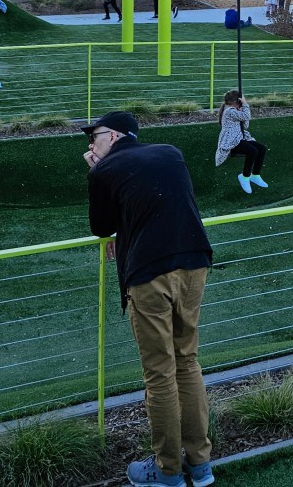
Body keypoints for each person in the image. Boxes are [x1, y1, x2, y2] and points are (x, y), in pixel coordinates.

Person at [84, 111, 213, 487]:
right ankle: (200, 465)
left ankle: (167, 470)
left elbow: (100, 227)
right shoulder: (170, 152)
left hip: (149, 274)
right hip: (194, 263)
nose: (91, 144)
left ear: (116, 136)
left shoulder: (104, 170)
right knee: (187, 361)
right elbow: (152, 202)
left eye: (95, 136)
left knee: (160, 375)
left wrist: (94, 173)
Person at [214, 90, 267, 194]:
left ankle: (255, 175)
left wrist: (242, 109)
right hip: (230, 140)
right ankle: (244, 177)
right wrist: (246, 105)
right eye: (241, 101)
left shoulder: (235, 110)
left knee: (262, 149)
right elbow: (247, 116)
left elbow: (245, 125)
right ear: (237, 101)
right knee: (252, 151)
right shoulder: (229, 111)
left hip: (239, 137)